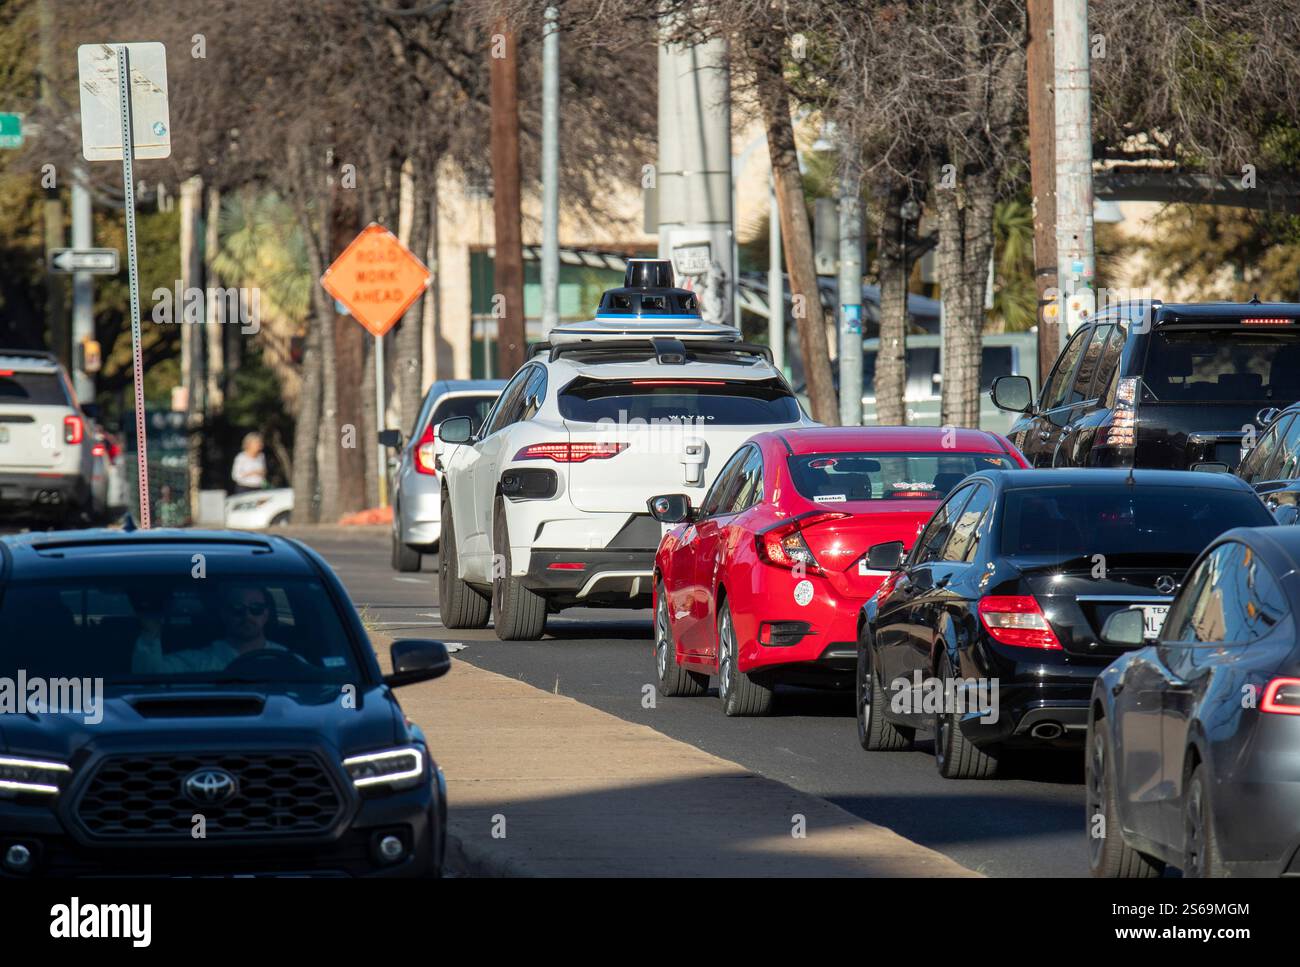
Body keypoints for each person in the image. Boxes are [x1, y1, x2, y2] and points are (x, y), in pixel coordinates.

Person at [131, 584, 288, 674]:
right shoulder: (198, 662)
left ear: (266, 614)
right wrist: (150, 633)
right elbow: (150, 676)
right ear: (223, 615)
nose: (247, 616)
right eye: (237, 608)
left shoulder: (287, 661)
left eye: (256, 608)